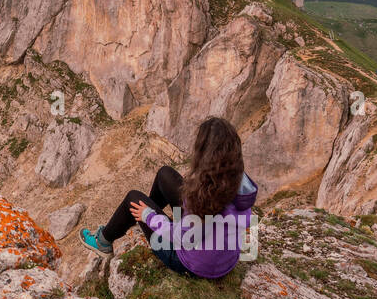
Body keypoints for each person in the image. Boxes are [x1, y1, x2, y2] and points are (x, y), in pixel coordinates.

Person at [80, 116, 257, 280]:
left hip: (192, 265)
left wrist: (149, 216)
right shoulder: (237, 182)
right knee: (165, 174)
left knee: (133, 199)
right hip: (223, 259)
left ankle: (103, 241)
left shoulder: (205, 199)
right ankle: (143, 221)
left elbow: (184, 238)